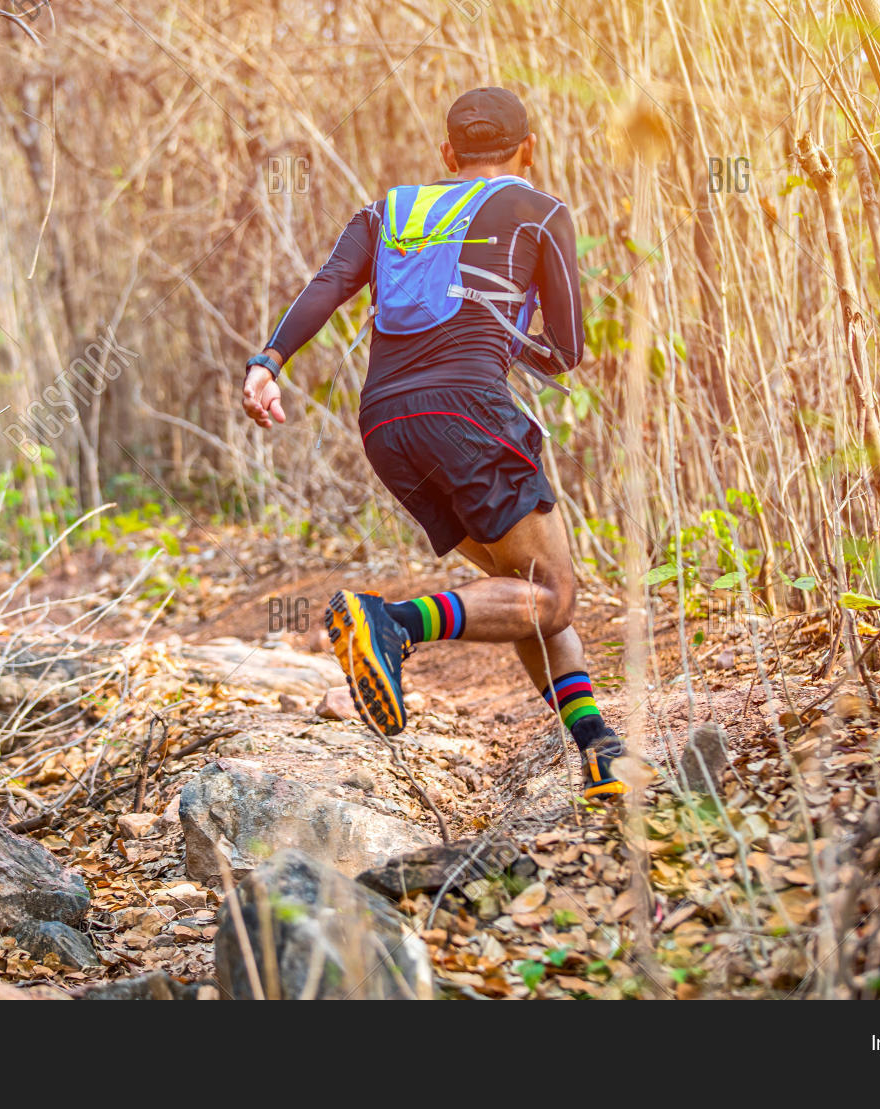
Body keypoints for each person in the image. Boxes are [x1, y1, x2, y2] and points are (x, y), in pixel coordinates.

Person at [240, 87, 625, 799]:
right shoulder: (539, 210)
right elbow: (567, 349)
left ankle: (599, 751)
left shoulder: (387, 211)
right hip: (469, 415)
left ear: (448, 154)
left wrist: (268, 362)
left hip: (386, 425)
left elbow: (329, 283)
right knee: (555, 595)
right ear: (528, 150)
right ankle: (391, 622)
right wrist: (503, 338)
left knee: (522, 590)